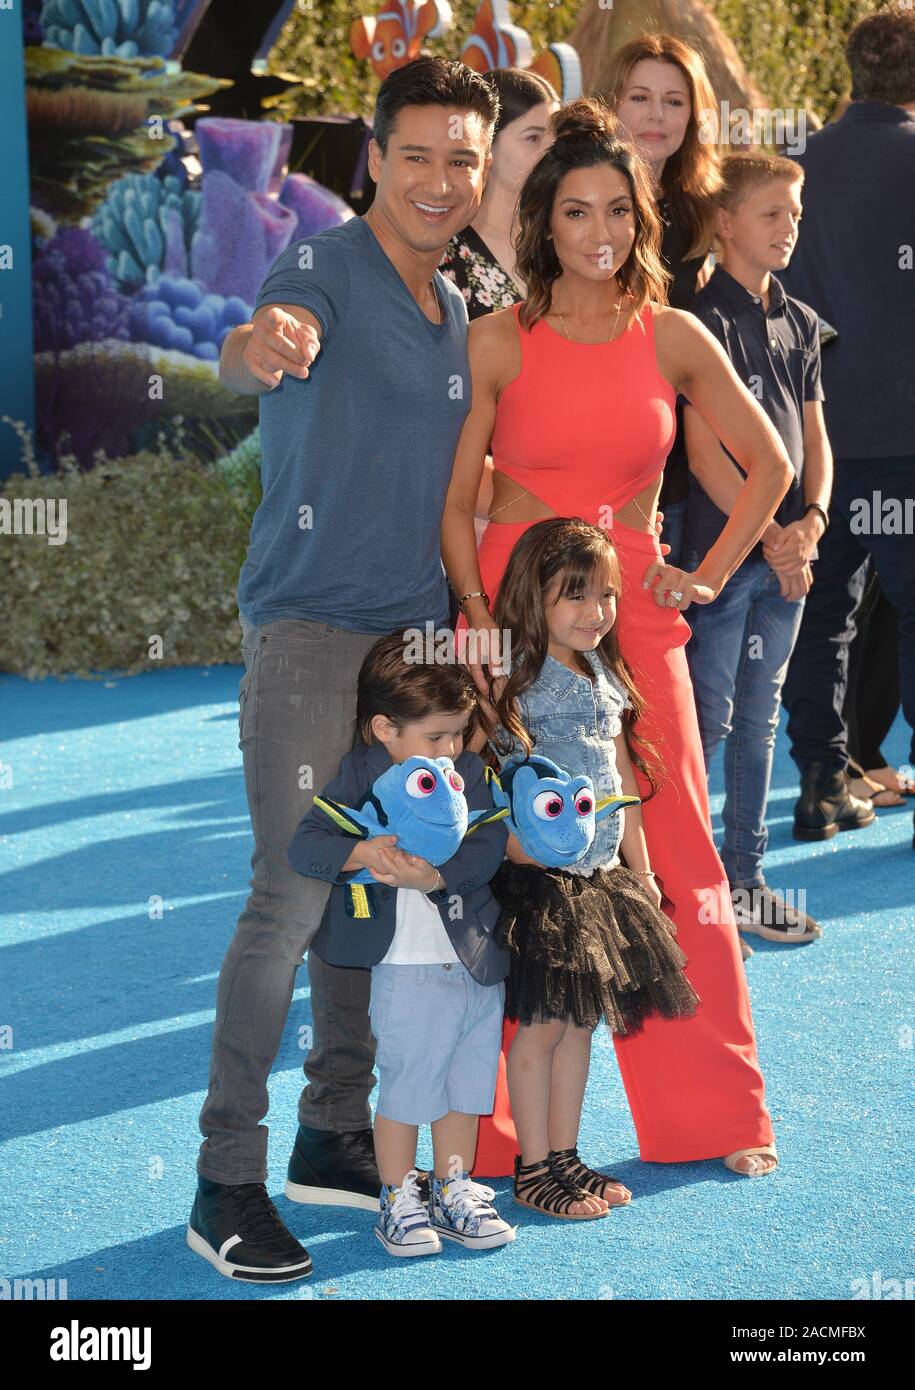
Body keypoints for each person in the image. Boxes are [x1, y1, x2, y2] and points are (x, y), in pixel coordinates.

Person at [441, 97, 794, 1181]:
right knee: (508, 863)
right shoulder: (496, 338)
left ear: (642, 219)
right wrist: (477, 633)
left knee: (678, 851)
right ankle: (491, 1135)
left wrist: (705, 575)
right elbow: (458, 507)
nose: (598, 233)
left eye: (617, 213)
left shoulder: (675, 334)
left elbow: (771, 466)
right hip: (510, 611)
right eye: (575, 213)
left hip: (633, 612)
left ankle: (715, 1115)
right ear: (544, 222)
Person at [188, 57, 498, 1283]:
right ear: (376, 159)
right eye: (416, 154)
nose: (439, 179)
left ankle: (335, 1131)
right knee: (294, 897)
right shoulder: (320, 268)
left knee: (382, 892)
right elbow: (246, 345)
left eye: (462, 159)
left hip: (415, 645)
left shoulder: (461, 304)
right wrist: (263, 341)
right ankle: (224, 1181)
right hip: (312, 630)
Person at [482, 518, 699, 1218]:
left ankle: (566, 1155)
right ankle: (531, 1168)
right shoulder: (520, 682)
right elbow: (507, 789)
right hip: (547, 885)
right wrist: (518, 850)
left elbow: (619, 779)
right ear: (532, 600)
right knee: (541, 1028)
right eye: (574, 597)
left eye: (604, 595)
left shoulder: (602, 668)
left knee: (580, 1026)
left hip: (601, 880)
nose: (595, 612)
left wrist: (641, 868)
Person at [287, 633, 514, 1256]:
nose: (450, 751)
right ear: (384, 727)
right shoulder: (360, 776)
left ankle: (453, 1186)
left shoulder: (469, 769)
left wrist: (438, 875)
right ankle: (396, 1197)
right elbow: (306, 846)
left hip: (474, 956)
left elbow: (489, 845)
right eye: (436, 736)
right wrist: (364, 852)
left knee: (467, 1084)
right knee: (411, 1084)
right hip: (404, 964)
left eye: (459, 734)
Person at [681, 151, 834, 943]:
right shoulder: (697, 321)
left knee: (758, 721)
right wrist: (772, 536)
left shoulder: (802, 322)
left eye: (795, 215)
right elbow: (704, 453)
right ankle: (682, 887)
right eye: (771, 213)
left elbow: (815, 438)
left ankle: (742, 880)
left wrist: (811, 523)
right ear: (724, 223)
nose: (788, 227)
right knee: (704, 721)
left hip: (785, 563)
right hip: (719, 561)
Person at [776, 4, 915, 847]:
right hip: (905, 435)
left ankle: (821, 781)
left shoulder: (795, 165)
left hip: (812, 438)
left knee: (820, 614)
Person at [606, 33, 722, 568]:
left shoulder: (698, 212)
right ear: (612, 103)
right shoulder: (577, 201)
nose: (657, 115)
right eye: (639, 97)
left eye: (674, 101)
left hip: (668, 462)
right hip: (590, 448)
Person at [439, 66, 559, 318]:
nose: (551, 154)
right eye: (534, 138)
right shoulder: (444, 255)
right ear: (486, 145)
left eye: (556, 140)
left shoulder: (561, 242)